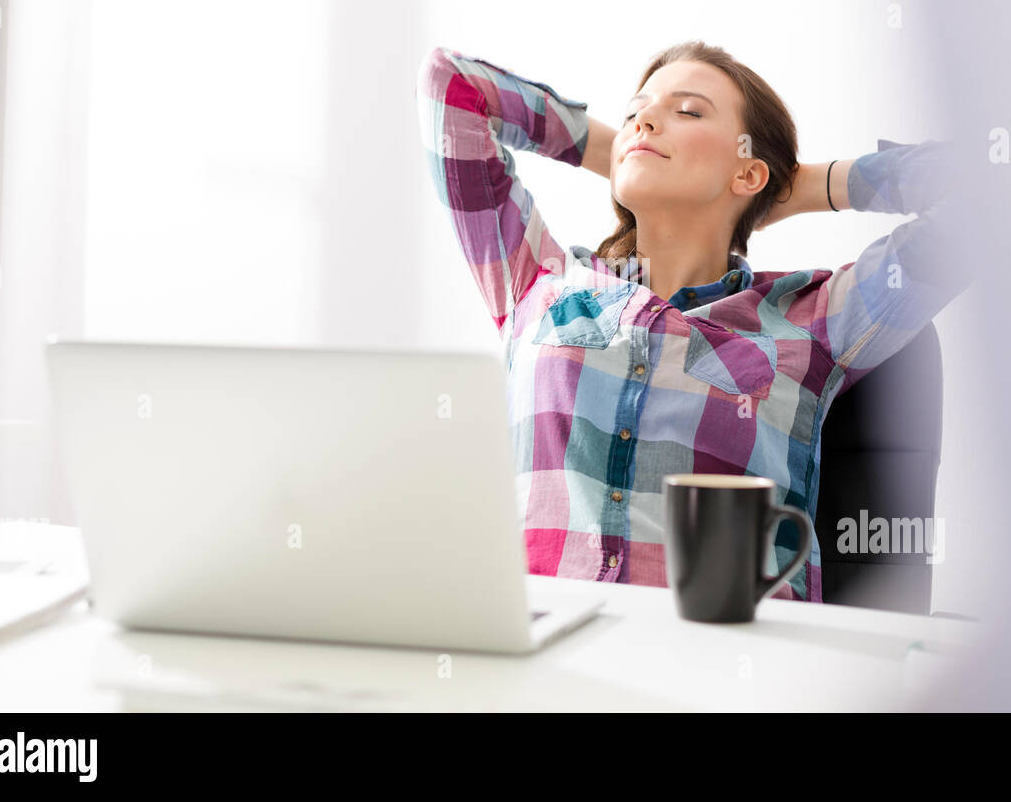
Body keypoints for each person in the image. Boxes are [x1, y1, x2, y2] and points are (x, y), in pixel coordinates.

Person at [415, 41, 977, 602]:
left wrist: (807, 185)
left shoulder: (818, 317)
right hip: (550, 661)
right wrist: (616, 150)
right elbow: (452, 87)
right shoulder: (536, 282)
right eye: (636, 111)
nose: (647, 120)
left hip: (726, 666)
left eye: (688, 111)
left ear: (750, 171)